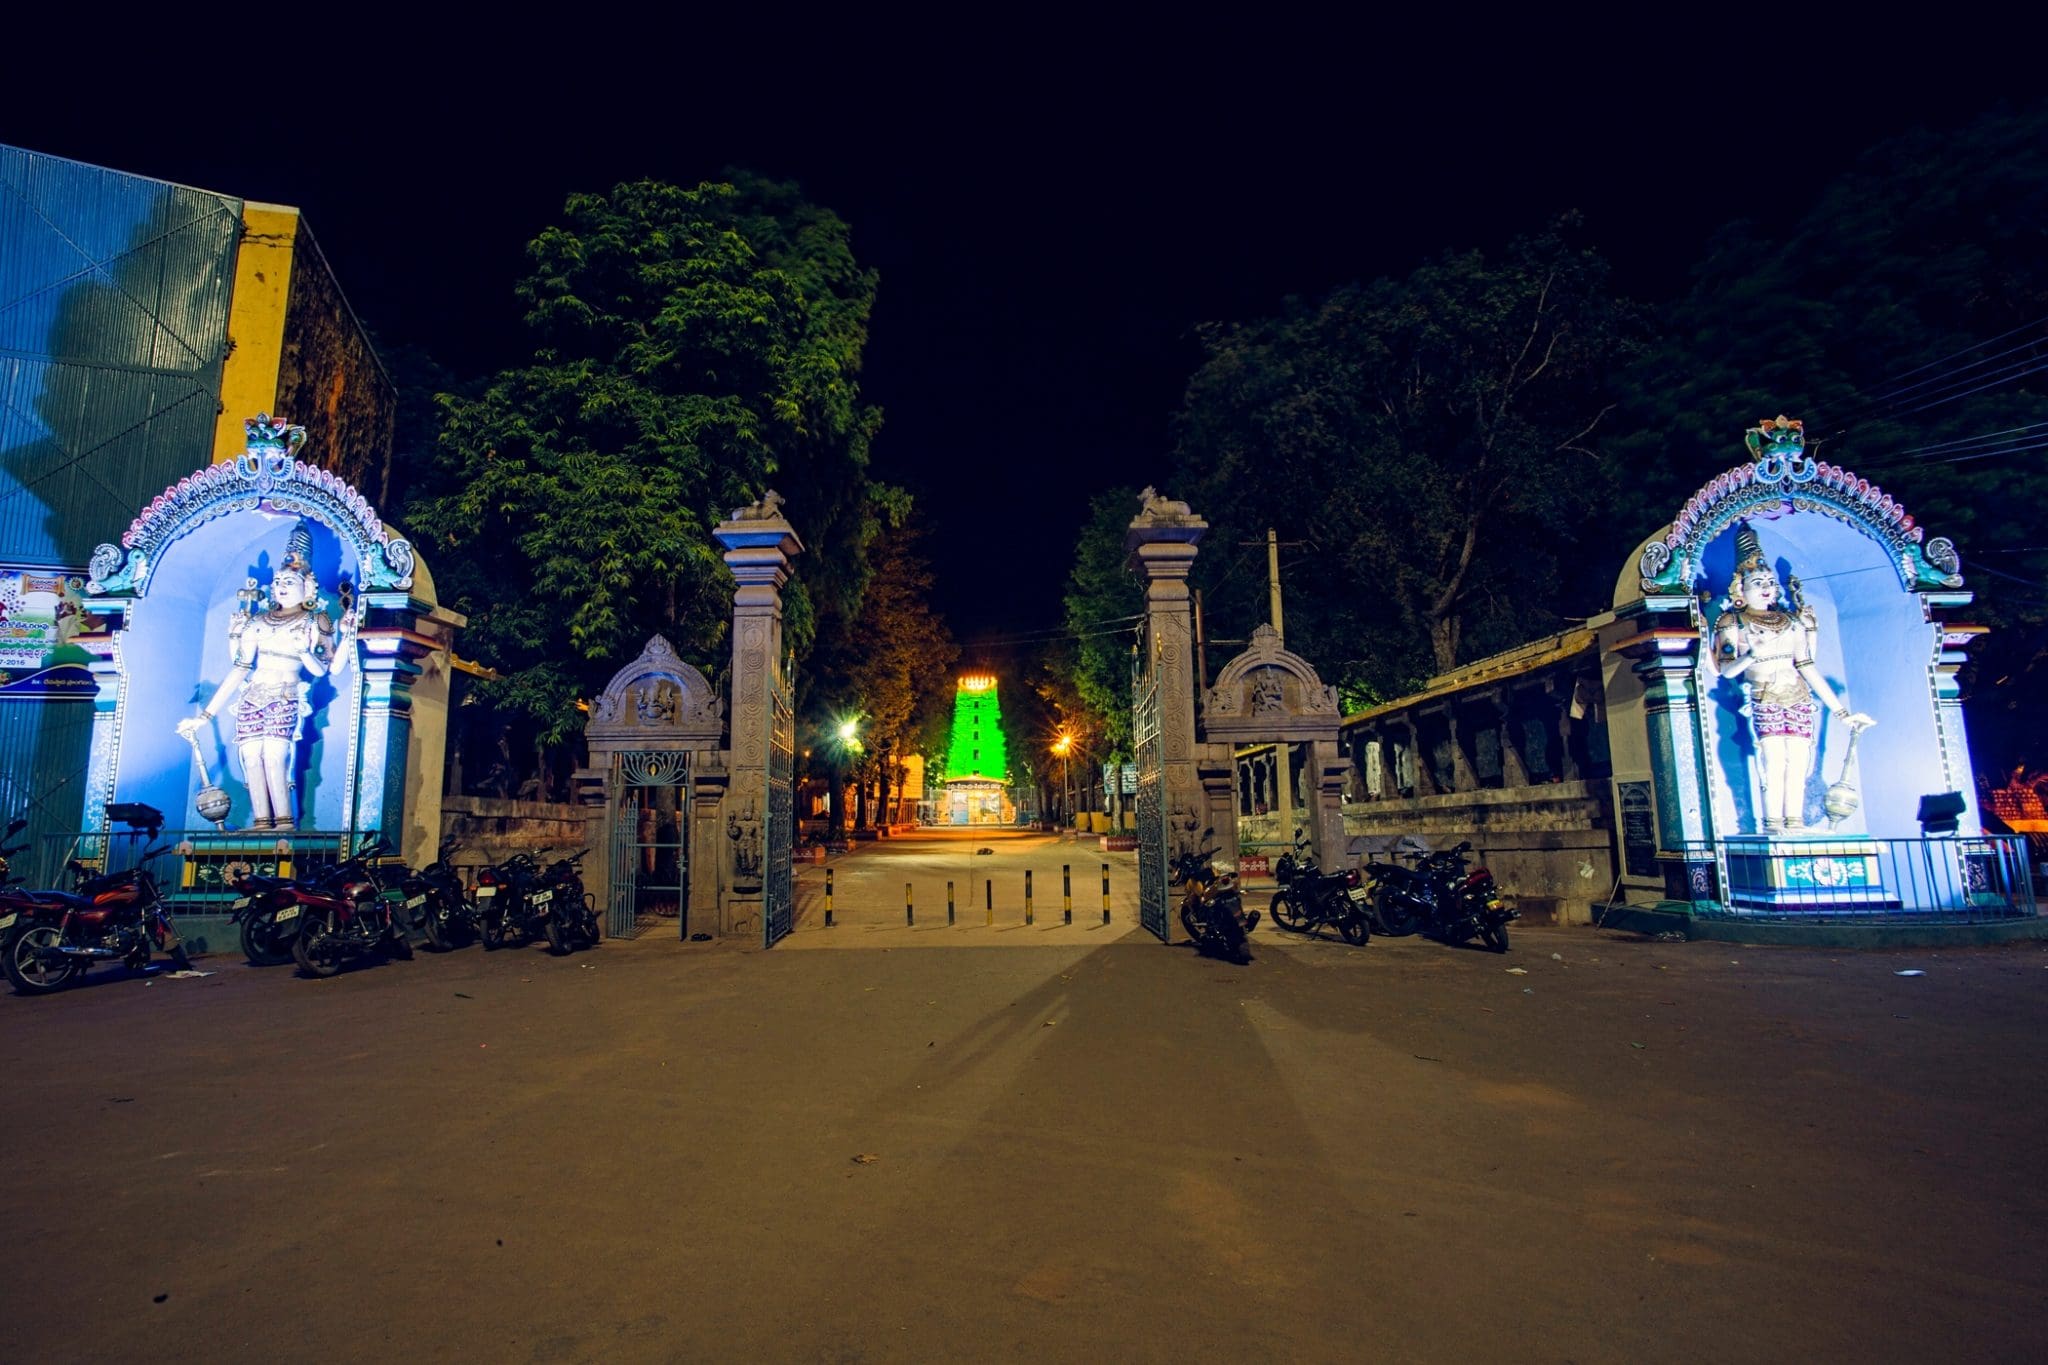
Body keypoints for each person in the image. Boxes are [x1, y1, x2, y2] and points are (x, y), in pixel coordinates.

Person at [176, 525, 351, 830]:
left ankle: (283, 822)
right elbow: (240, 668)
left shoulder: (315, 620)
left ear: (307, 588)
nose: (282, 586)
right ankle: (261, 821)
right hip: (253, 695)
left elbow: (327, 669)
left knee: (274, 756)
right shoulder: (257, 622)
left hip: (285, 694)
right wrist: (204, 717)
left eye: (290, 581)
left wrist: (324, 645)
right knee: (250, 757)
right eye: (279, 581)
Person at [1711, 523, 1873, 835]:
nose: (1766, 587)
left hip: (1798, 697)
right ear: (1739, 590)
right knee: (1774, 762)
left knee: (1799, 763)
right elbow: (1726, 669)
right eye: (1757, 582)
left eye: (1770, 582)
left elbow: (1808, 667)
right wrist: (1751, 656)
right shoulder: (1733, 621)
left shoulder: (1791, 622)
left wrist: (1841, 713)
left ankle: (1794, 823)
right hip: (1765, 697)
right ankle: (1773, 824)